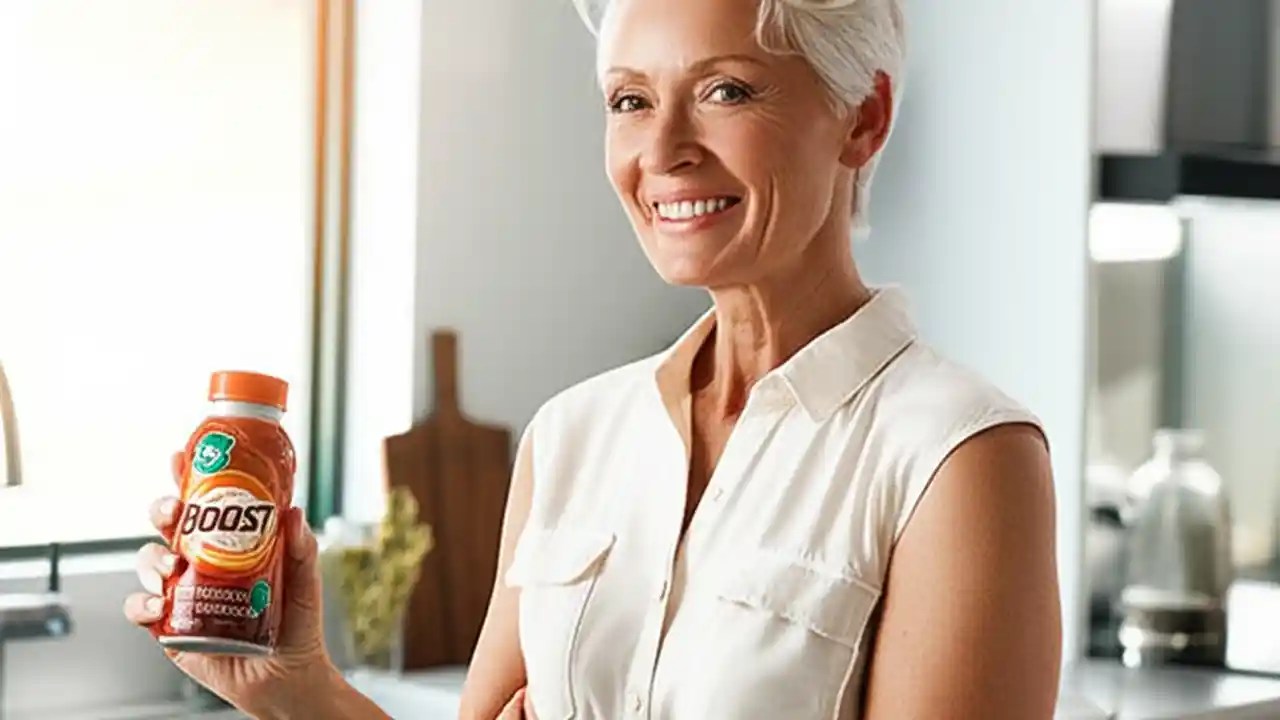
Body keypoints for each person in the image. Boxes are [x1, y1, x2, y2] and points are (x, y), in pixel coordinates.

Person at [126, 0, 1063, 717]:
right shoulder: (573, 436)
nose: (662, 150)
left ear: (863, 117)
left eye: (726, 90)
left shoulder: (960, 458)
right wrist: (299, 687)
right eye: (630, 101)